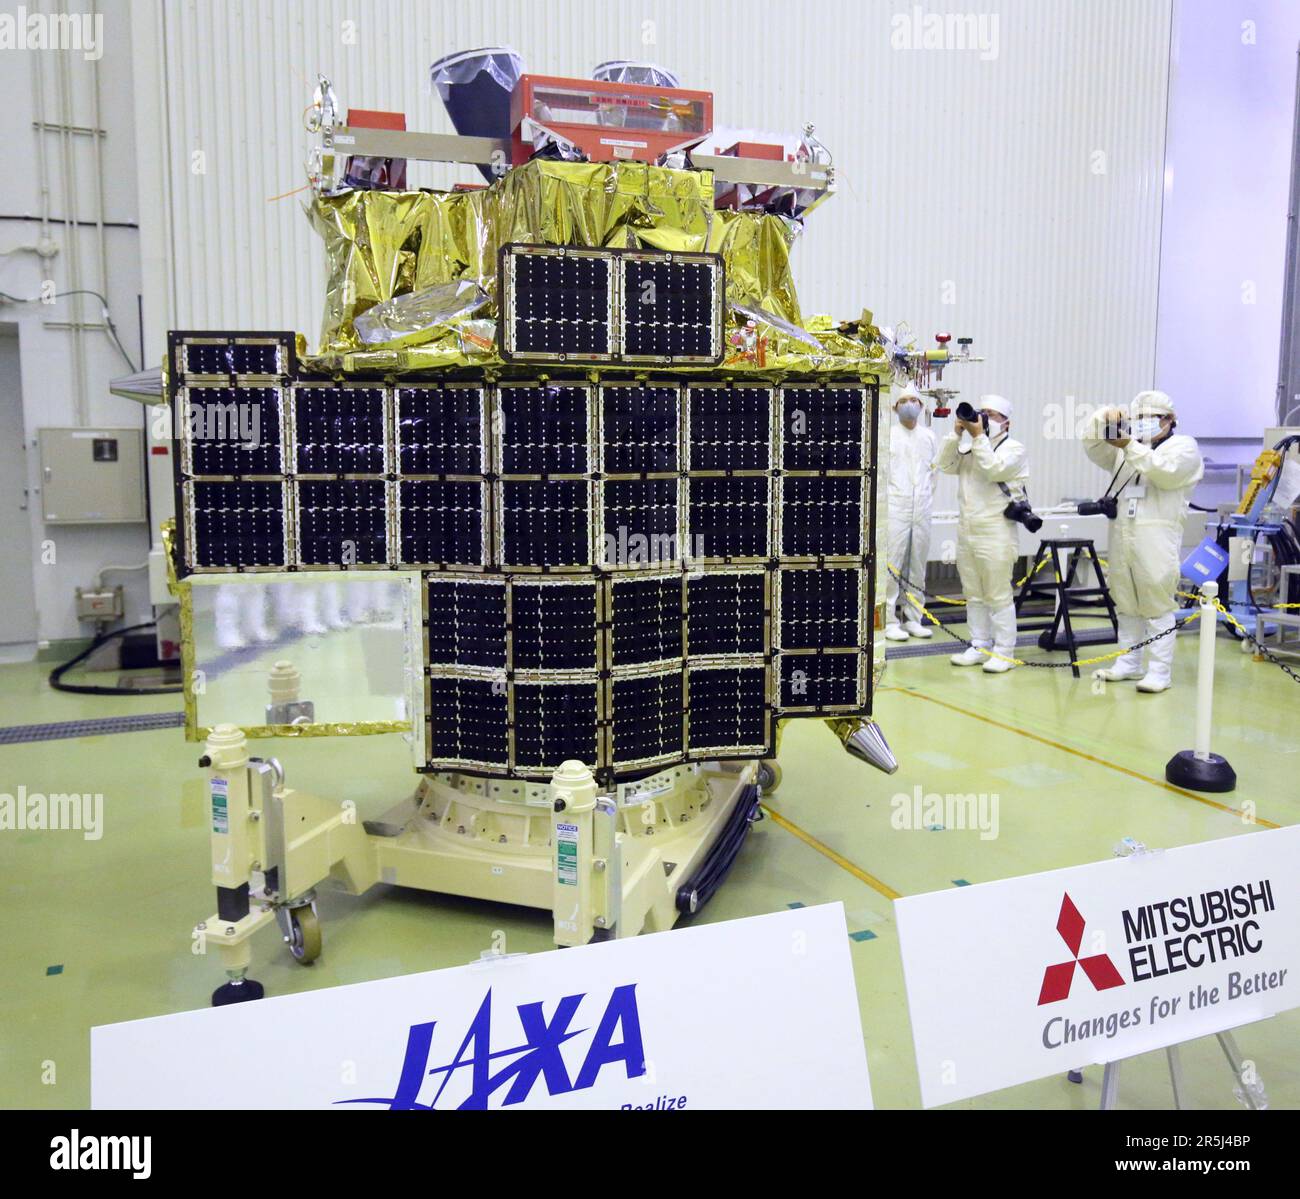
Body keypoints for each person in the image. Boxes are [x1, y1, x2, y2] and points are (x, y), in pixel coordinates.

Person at [1084, 390, 1203, 693]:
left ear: (1170, 420)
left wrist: (1129, 445)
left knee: (1156, 601)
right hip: (1123, 531)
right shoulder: (1129, 450)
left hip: (1156, 535)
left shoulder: (1183, 447)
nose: (1144, 424)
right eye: (1138, 419)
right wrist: (1106, 418)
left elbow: (1164, 473)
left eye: (1151, 418)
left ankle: (1159, 671)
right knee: (1125, 598)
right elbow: (1094, 447)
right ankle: (1128, 662)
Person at [933, 395, 1028, 674]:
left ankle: (1004, 651)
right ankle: (979, 644)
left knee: (998, 594)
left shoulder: (1014, 448)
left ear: (1006, 422)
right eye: (982, 413)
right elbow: (945, 465)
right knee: (973, 594)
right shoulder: (973, 447)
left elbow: (994, 469)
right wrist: (956, 434)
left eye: (992, 415)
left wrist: (978, 438)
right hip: (967, 530)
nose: (984, 418)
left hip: (996, 531)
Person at [884, 383, 938, 641]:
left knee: (917, 565)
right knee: (892, 564)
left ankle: (914, 618)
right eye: (904, 400)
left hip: (922, 508)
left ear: (921, 406)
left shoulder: (929, 437)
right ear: (895, 406)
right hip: (896, 506)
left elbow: (933, 473)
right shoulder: (888, 435)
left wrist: (926, 499)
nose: (909, 405)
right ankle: (888, 620)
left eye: (914, 400)